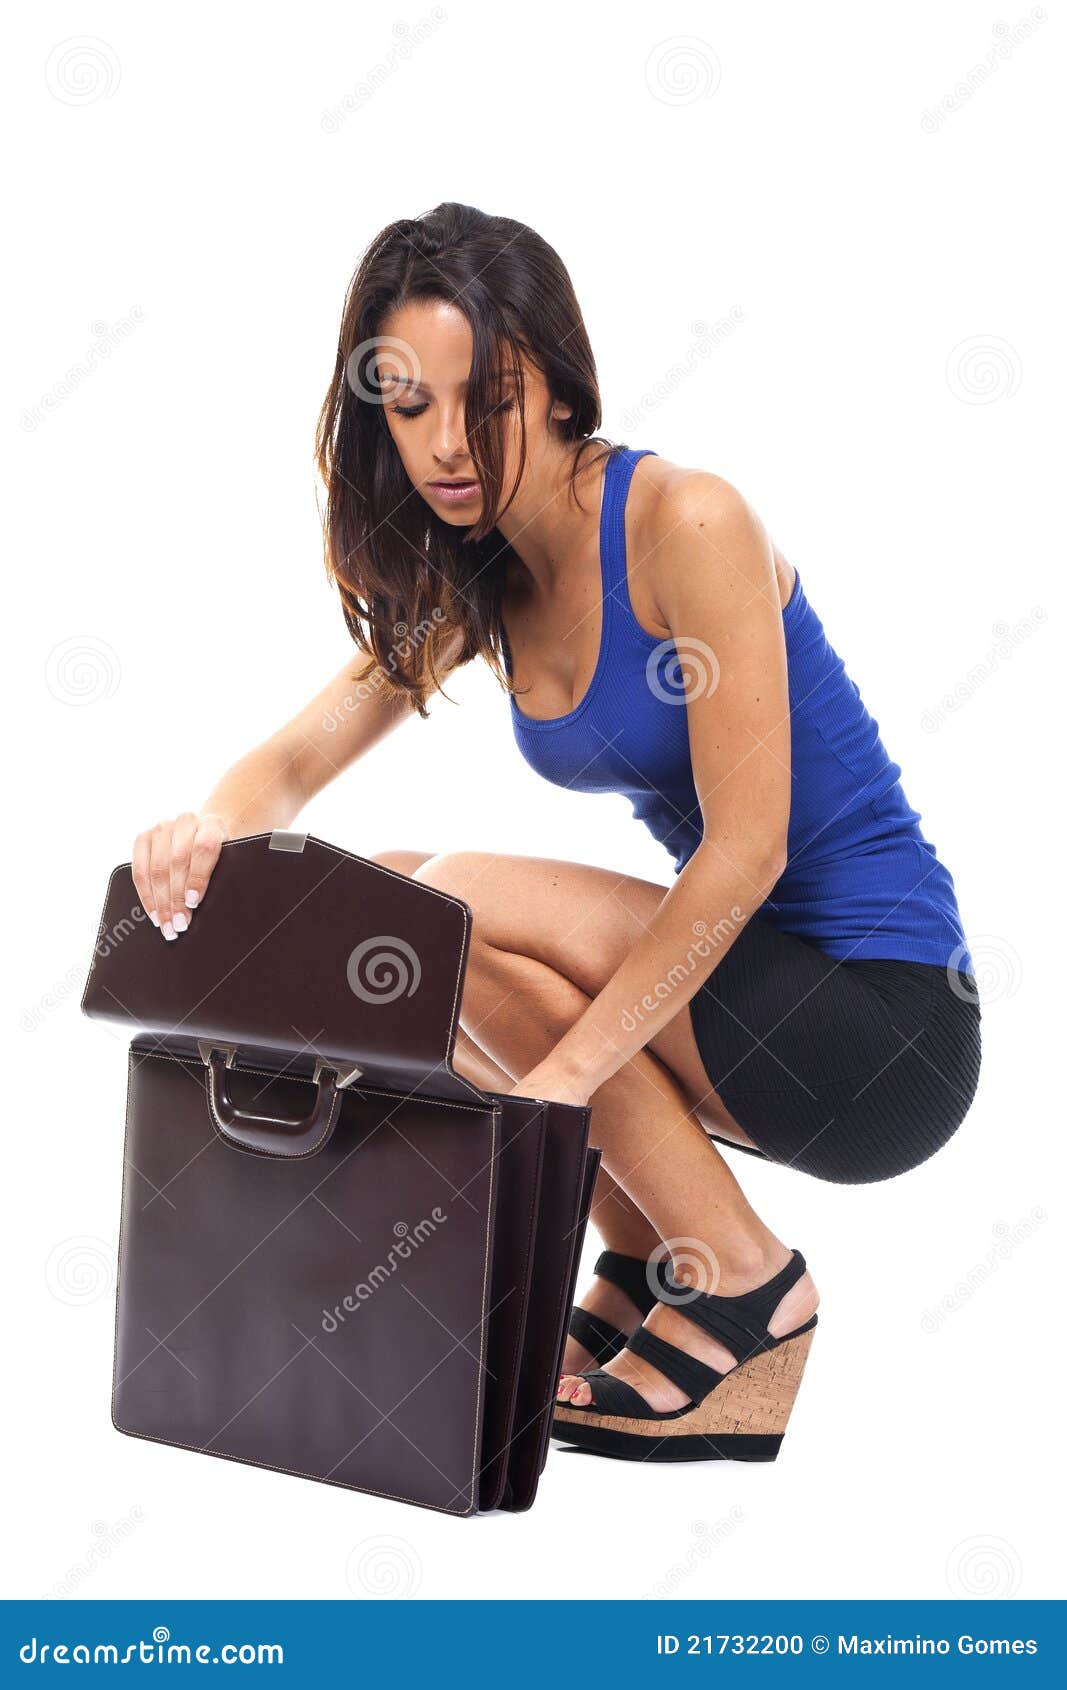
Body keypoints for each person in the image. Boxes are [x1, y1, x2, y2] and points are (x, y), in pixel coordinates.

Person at [130, 202, 981, 1464]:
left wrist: (560, 1091)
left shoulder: (685, 521)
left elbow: (743, 855)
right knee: (414, 918)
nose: (445, 444)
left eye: (487, 398)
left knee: (435, 903)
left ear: (560, 385)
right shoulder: (485, 577)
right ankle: (650, 1258)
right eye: (407, 404)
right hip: (751, 1011)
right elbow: (304, 751)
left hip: (883, 1024)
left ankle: (744, 1282)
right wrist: (207, 829)